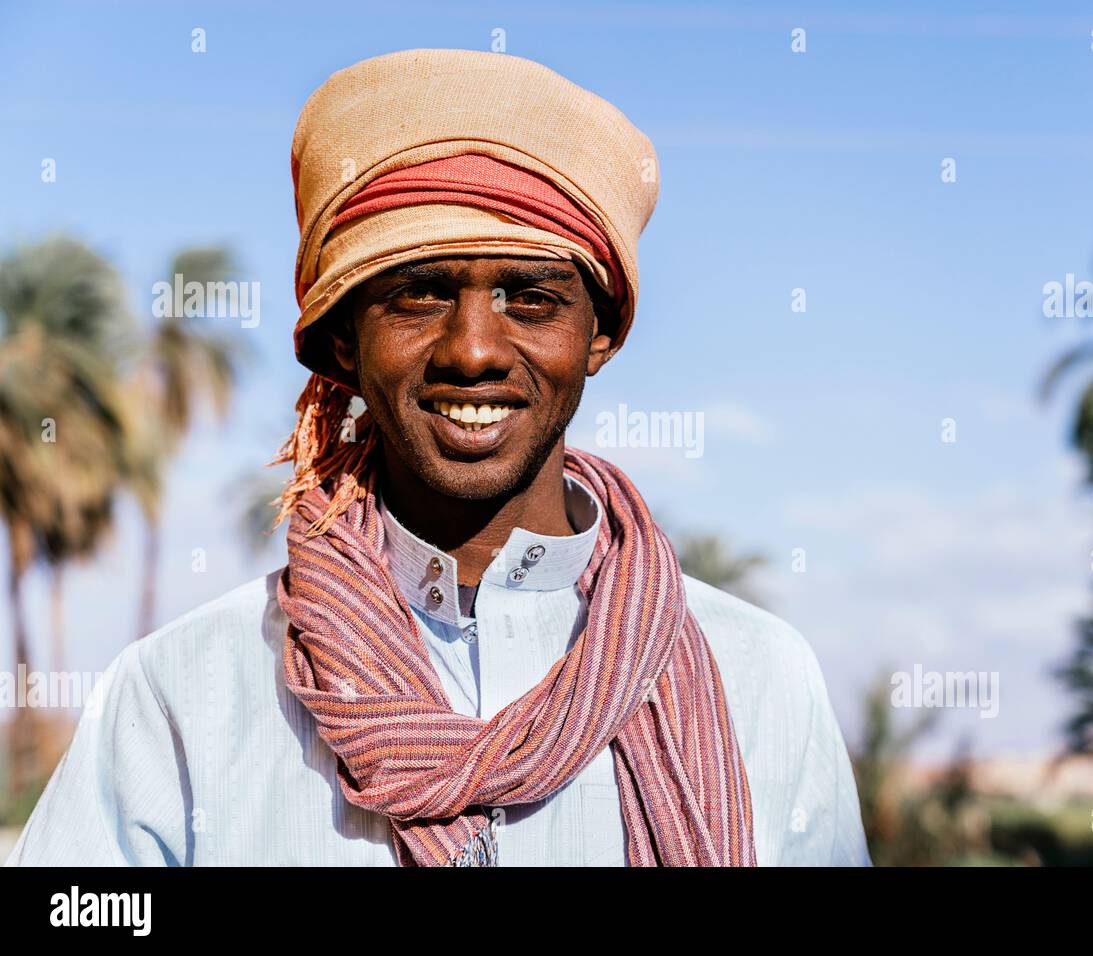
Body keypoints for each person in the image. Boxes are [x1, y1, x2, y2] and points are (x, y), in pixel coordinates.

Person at [6, 49, 870, 867]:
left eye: (531, 299)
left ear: (598, 333)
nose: (472, 350)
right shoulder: (185, 694)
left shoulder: (756, 676)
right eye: (418, 293)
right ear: (343, 338)